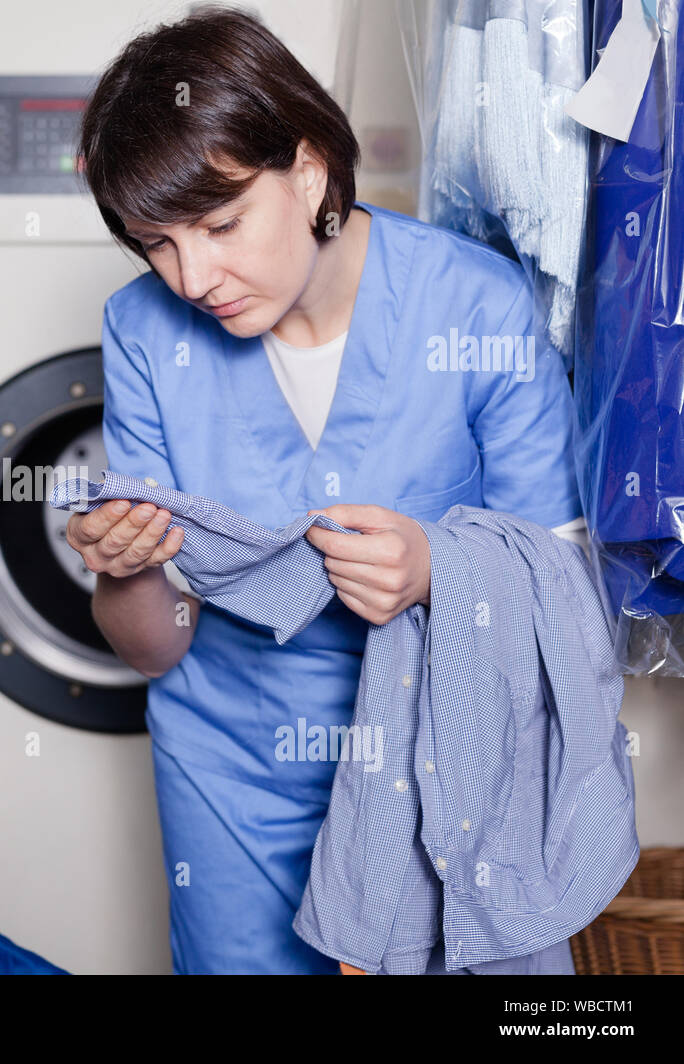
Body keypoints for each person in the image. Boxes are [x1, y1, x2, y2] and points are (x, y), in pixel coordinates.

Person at [68, 6, 589, 973]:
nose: (192, 278)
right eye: (157, 245)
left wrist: (438, 568)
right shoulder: (143, 330)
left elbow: (563, 593)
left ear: (308, 169)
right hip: (231, 768)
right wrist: (124, 570)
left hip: (446, 759)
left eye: (221, 224)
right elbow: (154, 649)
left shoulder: (475, 304)